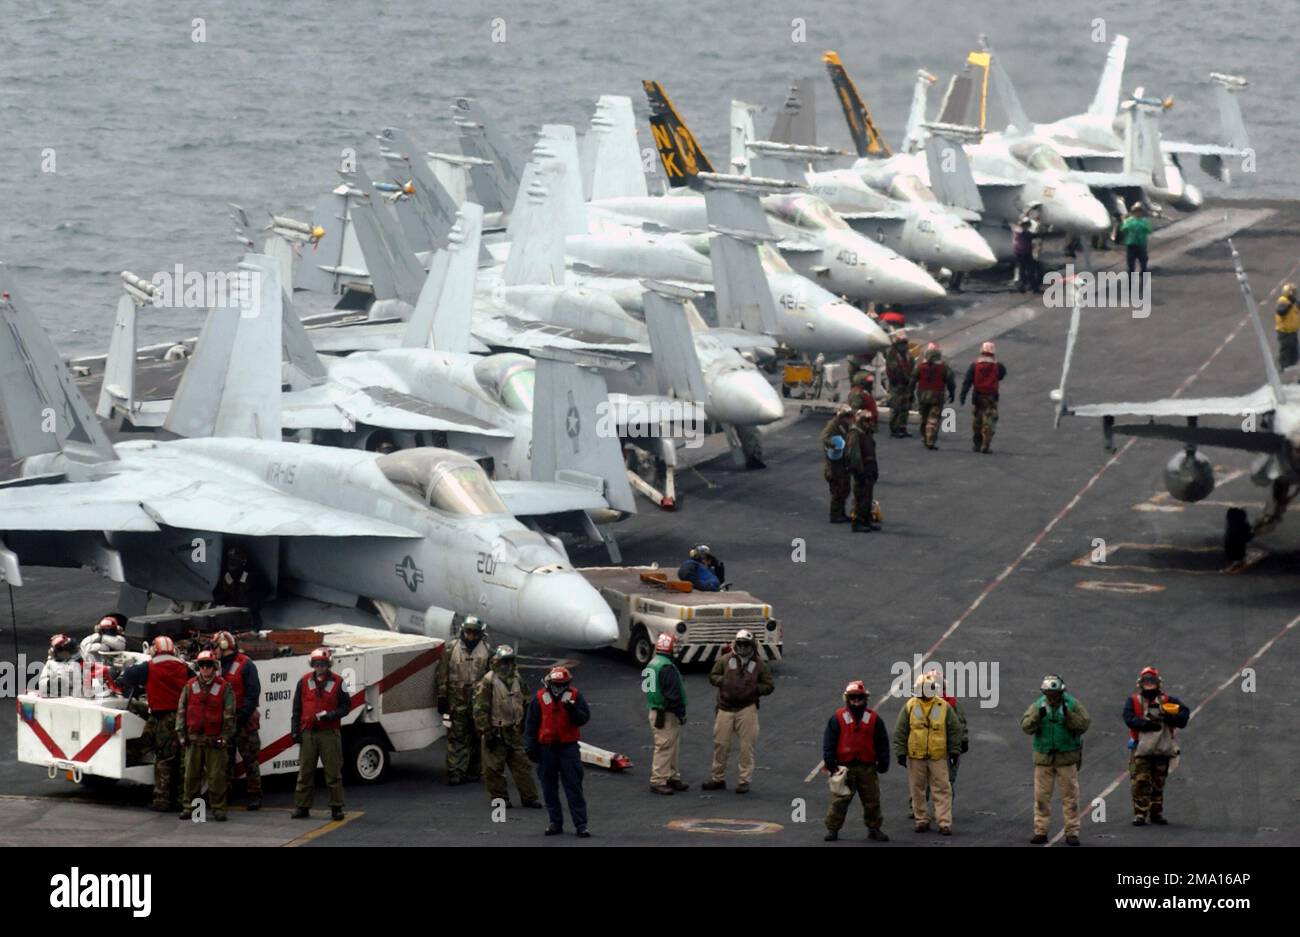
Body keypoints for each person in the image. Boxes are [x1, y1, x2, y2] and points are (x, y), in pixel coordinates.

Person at [117, 636, 191, 811]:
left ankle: (161, 800)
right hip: (182, 717)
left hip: (161, 718)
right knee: (182, 761)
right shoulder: (184, 668)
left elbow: (127, 677)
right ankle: (183, 799)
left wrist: (128, 690)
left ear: (154, 650)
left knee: (163, 759)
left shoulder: (149, 667)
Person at [1020, 674, 1090, 845]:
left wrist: (1068, 715)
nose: (1051, 698)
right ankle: (1040, 831)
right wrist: (1038, 716)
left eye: (1054, 694)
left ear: (1061, 692)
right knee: (1041, 798)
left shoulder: (1072, 704)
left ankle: (1072, 832)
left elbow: (1083, 725)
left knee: (1070, 798)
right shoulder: (1039, 705)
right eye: (1048, 694)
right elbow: (1025, 726)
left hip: (1066, 758)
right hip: (1044, 759)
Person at [703, 629, 774, 793]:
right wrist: (725, 682)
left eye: (745, 644)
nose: (742, 647)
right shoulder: (725, 660)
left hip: (747, 709)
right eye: (740, 643)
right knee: (721, 744)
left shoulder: (759, 664)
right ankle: (717, 778)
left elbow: (769, 685)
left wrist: (754, 689)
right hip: (725, 708)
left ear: (752, 645)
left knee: (746, 746)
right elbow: (713, 676)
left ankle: (744, 780)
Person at [524, 666, 591, 837]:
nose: (560, 687)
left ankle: (581, 824)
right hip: (546, 749)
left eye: (563, 684)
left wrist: (573, 711)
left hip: (568, 748)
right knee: (548, 787)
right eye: (556, 684)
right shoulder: (539, 698)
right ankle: (555, 822)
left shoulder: (575, 696)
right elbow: (531, 725)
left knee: (574, 787)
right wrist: (530, 747)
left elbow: (583, 718)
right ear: (549, 683)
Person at [474, 645, 542, 809]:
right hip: (496, 731)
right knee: (493, 768)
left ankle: (529, 797)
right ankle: (500, 799)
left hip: (515, 730)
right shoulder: (488, 681)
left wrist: (526, 723)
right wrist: (486, 732)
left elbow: (525, 701)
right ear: (497, 661)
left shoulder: (518, 679)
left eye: (510, 661)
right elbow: (480, 709)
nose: (507, 665)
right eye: (504, 661)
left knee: (522, 766)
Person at [893, 671, 961, 834]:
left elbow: (954, 729)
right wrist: (900, 752)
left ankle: (944, 822)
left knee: (942, 789)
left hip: (938, 755)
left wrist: (954, 751)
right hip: (916, 755)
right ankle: (921, 819)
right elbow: (901, 730)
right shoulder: (910, 705)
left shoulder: (943, 706)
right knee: (917, 789)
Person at [823, 681, 890, 842]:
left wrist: (883, 761)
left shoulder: (874, 719)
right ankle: (833, 829)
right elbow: (829, 742)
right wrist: (830, 763)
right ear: (847, 699)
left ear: (865, 698)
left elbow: (882, 742)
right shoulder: (837, 718)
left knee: (872, 800)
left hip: (867, 767)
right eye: (853, 697)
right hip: (844, 767)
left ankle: (874, 828)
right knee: (840, 801)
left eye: (859, 697)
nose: (856, 700)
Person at [1122, 667, 1189, 826]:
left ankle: (1156, 812)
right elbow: (1128, 718)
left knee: (1158, 782)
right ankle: (1140, 813)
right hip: (1140, 749)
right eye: (1146, 681)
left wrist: (1169, 716)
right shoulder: (1134, 701)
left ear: (1158, 683)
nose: (1149, 684)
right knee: (1140, 782)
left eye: (1152, 681)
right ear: (1141, 683)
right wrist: (1145, 724)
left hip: (1162, 748)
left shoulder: (1168, 700)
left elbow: (1184, 716)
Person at [291, 647, 352, 820]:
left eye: (323, 663)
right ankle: (302, 806)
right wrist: (295, 731)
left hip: (329, 734)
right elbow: (297, 708)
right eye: (317, 663)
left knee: (333, 773)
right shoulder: (303, 682)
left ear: (328, 664)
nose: (320, 666)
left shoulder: (339, 682)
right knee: (305, 772)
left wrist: (331, 715)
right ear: (313, 664)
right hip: (308, 733)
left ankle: (336, 807)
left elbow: (346, 706)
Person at [176, 650, 236, 821]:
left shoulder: (224, 687)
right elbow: (181, 710)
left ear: (214, 667)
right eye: (202, 665)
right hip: (193, 739)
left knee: (216, 777)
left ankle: (218, 808)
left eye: (209, 665)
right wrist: (181, 733)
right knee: (191, 777)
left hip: (214, 740)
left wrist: (225, 736)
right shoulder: (189, 686)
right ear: (198, 667)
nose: (205, 669)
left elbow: (230, 714)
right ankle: (192, 809)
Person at [434, 615, 492, 785]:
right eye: (468, 632)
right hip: (457, 702)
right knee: (457, 737)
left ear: (480, 634)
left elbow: (491, 679)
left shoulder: (487, 651)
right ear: (463, 631)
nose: (470, 637)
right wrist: (442, 697)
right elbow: (441, 674)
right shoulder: (451, 649)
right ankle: (455, 772)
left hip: (478, 704)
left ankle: (474, 771)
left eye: (474, 633)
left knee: (477, 737)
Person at [213, 630, 262, 810]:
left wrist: (241, 716)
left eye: (216, 647)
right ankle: (226, 796)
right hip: (226, 723)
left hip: (244, 721)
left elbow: (253, 693)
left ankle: (254, 796)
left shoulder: (245, 664)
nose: (214, 651)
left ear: (224, 646)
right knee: (225, 762)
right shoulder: (216, 666)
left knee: (251, 761)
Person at [644, 633, 689, 795]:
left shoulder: (652, 663)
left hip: (655, 709)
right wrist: (681, 713)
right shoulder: (667, 667)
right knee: (664, 746)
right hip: (666, 712)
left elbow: (646, 687)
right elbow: (673, 695)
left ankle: (671, 776)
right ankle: (658, 780)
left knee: (671, 746)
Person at [959, 341, 1008, 454]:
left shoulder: (975, 365)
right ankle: (986, 444)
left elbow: (967, 381)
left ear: (982, 351)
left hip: (978, 396)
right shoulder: (998, 366)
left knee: (977, 420)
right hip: (991, 397)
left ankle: (977, 444)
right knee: (989, 420)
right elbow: (1001, 375)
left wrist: (963, 395)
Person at [910, 343, 955, 450]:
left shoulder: (920, 366)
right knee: (934, 418)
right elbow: (950, 381)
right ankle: (930, 440)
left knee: (923, 417)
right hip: (937, 395)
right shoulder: (944, 367)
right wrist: (952, 392)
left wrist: (910, 393)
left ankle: (924, 436)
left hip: (922, 395)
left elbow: (912, 380)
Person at [211, 545, 272, 621]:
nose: (232, 563)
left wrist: (251, 599)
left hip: (250, 617)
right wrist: (227, 601)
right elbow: (217, 596)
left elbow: (266, 590)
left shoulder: (253, 576)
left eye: (235, 560)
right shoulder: (226, 578)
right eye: (230, 560)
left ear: (242, 561)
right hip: (231, 617)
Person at [819, 406, 855, 524]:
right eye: (848, 417)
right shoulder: (833, 425)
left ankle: (841, 513)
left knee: (845, 489)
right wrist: (834, 445)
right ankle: (835, 515)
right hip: (834, 464)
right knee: (837, 490)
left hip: (843, 463)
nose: (850, 419)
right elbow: (824, 437)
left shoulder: (846, 425)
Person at [846, 408, 880, 532]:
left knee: (867, 498)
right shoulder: (855, 434)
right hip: (862, 471)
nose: (869, 422)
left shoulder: (866, 433)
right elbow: (854, 455)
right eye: (866, 420)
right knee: (861, 497)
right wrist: (859, 472)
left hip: (869, 469)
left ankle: (866, 520)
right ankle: (858, 522)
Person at [79, 617, 127, 699]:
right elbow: (84, 646)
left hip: (115, 668)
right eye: (105, 630)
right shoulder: (94, 639)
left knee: (111, 671)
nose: (108, 632)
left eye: (110, 630)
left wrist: (102, 638)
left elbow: (120, 645)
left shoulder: (120, 639)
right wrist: (99, 643)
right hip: (96, 668)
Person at [883, 331, 915, 438]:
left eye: (905, 343)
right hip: (896, 385)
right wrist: (906, 378)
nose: (903, 345)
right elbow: (895, 369)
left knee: (905, 408)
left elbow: (912, 366)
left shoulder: (907, 355)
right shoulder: (892, 355)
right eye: (901, 343)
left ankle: (902, 427)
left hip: (906, 385)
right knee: (896, 408)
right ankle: (894, 429)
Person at [37, 634, 79, 698]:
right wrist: (51, 683)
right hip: (58, 698)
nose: (71, 652)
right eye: (69, 650)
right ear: (59, 652)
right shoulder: (50, 664)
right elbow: (42, 684)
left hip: (75, 699)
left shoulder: (75, 662)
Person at [1120, 202, 1152, 277]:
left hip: (1141, 244)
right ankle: (1131, 276)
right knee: (1131, 263)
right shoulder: (1129, 221)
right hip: (1131, 244)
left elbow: (1149, 230)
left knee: (1143, 262)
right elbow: (1123, 229)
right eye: (1136, 211)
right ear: (1133, 212)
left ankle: (1143, 274)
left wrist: (1135, 225)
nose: (1138, 212)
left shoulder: (1144, 221)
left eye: (1139, 211)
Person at [1276, 282, 1298, 370]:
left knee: (1295, 354)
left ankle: (1290, 369)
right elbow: (1281, 311)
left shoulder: (1293, 301)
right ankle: (1283, 369)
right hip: (1285, 333)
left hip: (1292, 332)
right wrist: (1290, 304)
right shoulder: (1283, 301)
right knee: (1286, 352)